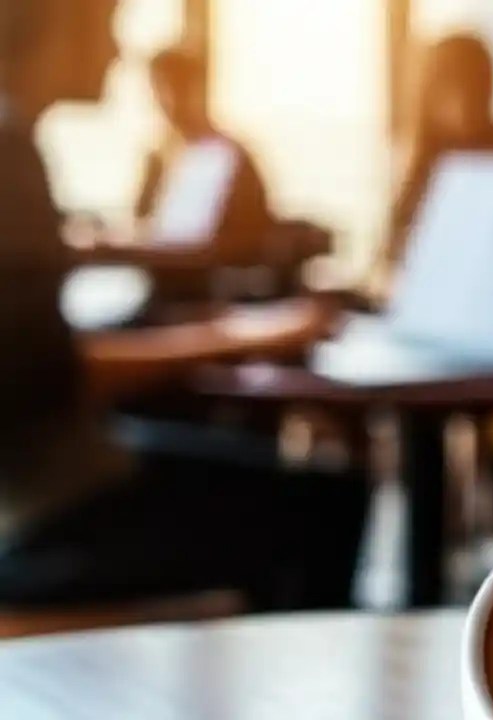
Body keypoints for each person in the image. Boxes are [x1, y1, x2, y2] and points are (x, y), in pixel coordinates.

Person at [0, 0, 366, 609]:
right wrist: (244, 335)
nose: (117, 52)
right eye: (107, 26)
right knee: (329, 506)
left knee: (270, 476)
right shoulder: (8, 151)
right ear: (57, 25)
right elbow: (39, 375)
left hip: (40, 486)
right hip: (41, 509)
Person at [379, 35, 493, 286]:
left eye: (474, 87)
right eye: (452, 87)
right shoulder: (420, 171)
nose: (463, 101)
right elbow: (393, 260)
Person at [135, 48, 273, 264]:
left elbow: (252, 236)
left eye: (176, 88)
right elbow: (142, 224)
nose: (169, 101)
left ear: (197, 89)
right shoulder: (158, 159)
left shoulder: (232, 158)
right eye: (160, 89)